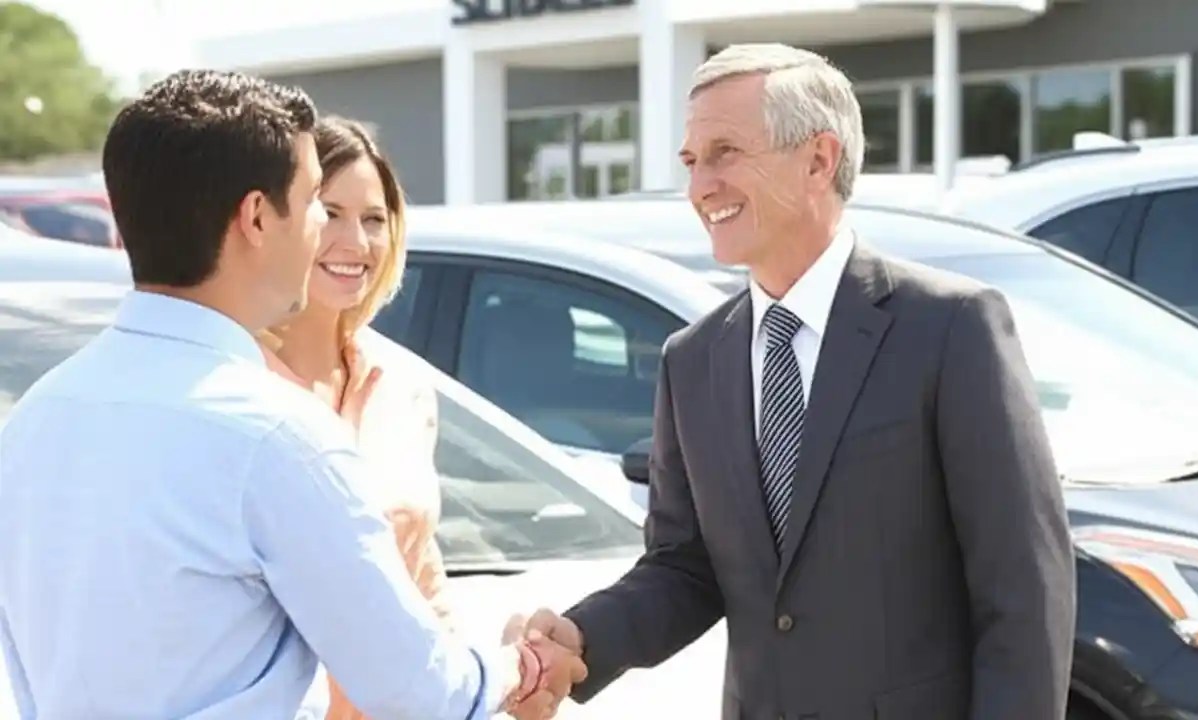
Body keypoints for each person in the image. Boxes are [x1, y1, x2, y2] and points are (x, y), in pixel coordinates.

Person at [0, 69, 583, 720]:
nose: (328, 234)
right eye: (315, 204)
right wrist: (521, 665)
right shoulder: (276, 434)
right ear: (256, 216)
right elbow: (420, 692)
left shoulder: (36, 420)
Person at [517, 43, 1076, 719]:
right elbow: (685, 567)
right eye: (692, 162)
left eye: (725, 153)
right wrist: (583, 638)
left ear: (818, 160)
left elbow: (1023, 588)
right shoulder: (693, 360)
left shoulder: (950, 327)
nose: (700, 187)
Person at [256, 115, 456, 720]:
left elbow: (423, 582)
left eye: (373, 219)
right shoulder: (236, 387)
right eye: (330, 213)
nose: (357, 242)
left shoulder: (404, 390)